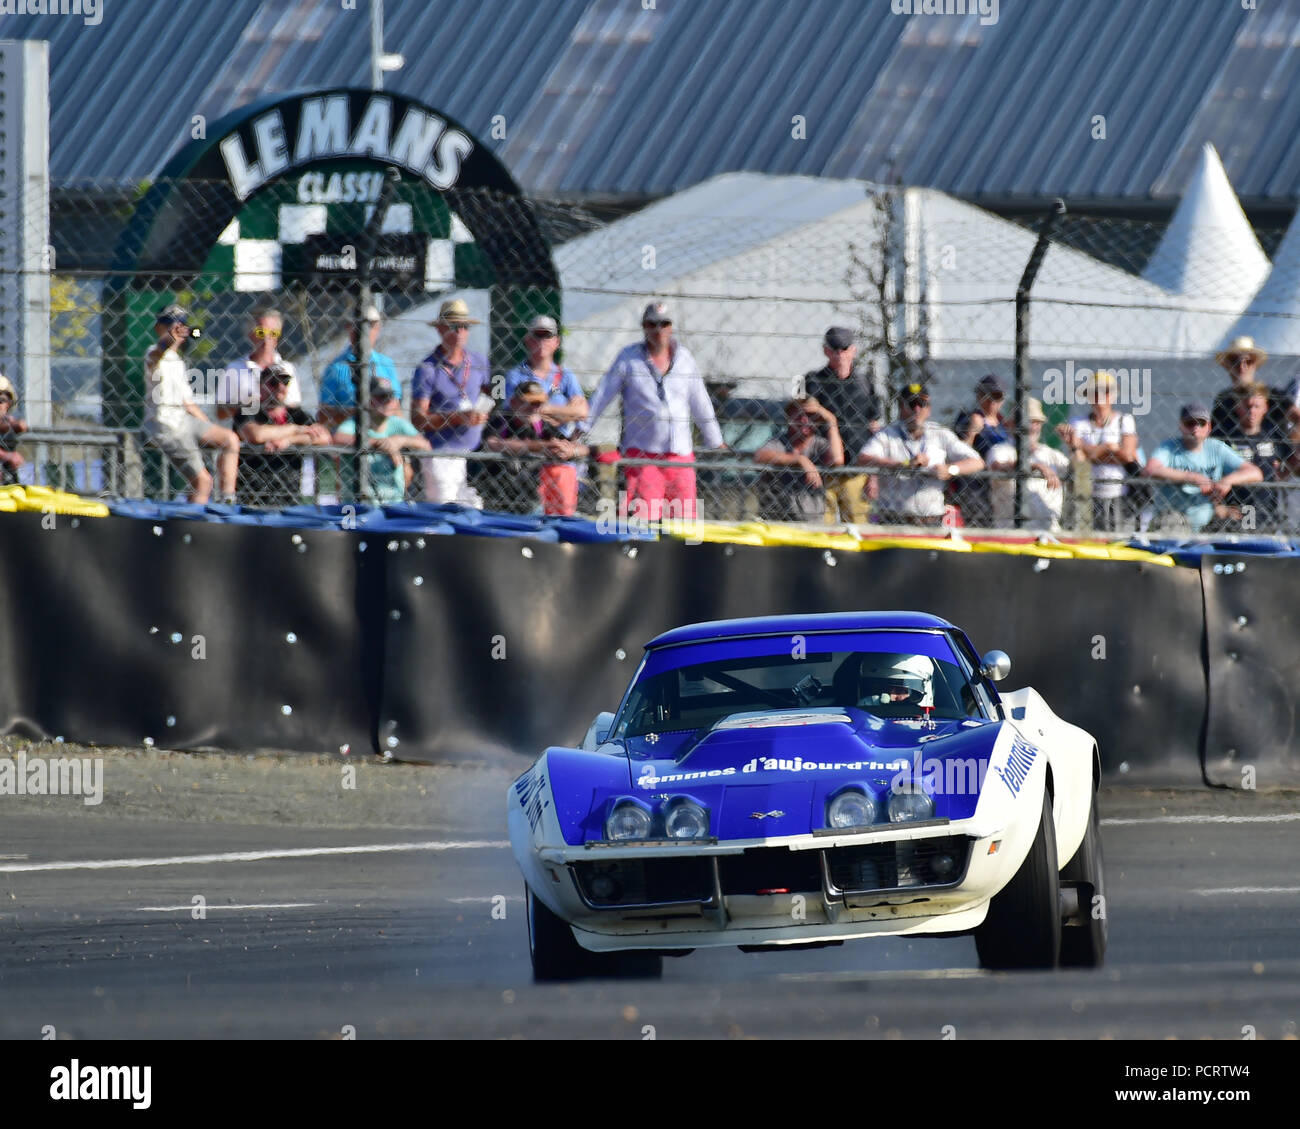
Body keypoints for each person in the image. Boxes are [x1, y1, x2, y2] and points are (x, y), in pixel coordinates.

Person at [581, 302, 726, 522]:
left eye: (664, 324)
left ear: (671, 327)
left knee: (684, 522)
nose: (658, 330)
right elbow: (603, 395)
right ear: (644, 327)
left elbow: (700, 402)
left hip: (680, 456)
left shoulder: (684, 359)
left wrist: (715, 440)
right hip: (642, 455)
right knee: (644, 522)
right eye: (652, 324)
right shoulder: (629, 358)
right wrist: (580, 430)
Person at [142, 304, 241, 504]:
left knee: (230, 439)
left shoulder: (178, 361)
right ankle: (193, 520)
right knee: (203, 482)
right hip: (165, 423)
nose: (177, 329)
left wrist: (209, 428)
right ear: (159, 328)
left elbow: (188, 403)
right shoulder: (153, 352)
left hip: (183, 418)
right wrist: (171, 337)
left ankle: (227, 499)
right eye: (170, 324)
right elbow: (157, 354)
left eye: (181, 325)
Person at [856, 384, 982, 526]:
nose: (917, 409)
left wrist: (950, 469)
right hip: (894, 519)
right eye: (911, 404)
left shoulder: (940, 434)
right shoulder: (887, 434)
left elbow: (977, 461)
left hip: (931, 518)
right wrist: (903, 464)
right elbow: (863, 458)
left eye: (921, 404)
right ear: (901, 407)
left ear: (928, 409)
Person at [502, 315, 588, 515]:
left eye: (547, 336)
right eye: (537, 335)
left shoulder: (566, 376)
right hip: (530, 462)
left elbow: (583, 412)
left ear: (556, 342)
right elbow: (518, 414)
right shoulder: (515, 376)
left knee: (564, 514)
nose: (541, 341)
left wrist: (541, 408)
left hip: (561, 457)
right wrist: (566, 412)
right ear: (528, 339)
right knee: (534, 515)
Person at [411, 298, 492, 504]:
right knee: (444, 512)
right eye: (453, 326)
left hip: (476, 453)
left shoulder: (480, 362)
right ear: (440, 329)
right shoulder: (427, 369)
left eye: (464, 327)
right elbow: (418, 419)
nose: (459, 332)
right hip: (442, 454)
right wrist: (457, 418)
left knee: (475, 513)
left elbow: (493, 394)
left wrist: (486, 410)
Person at [801, 327, 881, 523]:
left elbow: (875, 430)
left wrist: (873, 475)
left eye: (844, 349)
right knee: (822, 528)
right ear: (825, 351)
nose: (839, 354)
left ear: (853, 350)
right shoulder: (814, 381)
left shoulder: (864, 383)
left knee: (858, 528)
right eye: (834, 349)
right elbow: (803, 423)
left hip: (856, 471)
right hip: (823, 470)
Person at [1145, 402, 1263, 533]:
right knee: (1171, 521)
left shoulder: (1216, 448)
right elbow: (1150, 469)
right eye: (1190, 423)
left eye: (1201, 423)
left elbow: (1255, 473)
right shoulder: (1169, 447)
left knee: (1236, 521)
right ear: (1181, 426)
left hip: (1207, 523)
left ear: (1209, 427)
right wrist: (1190, 477)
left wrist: (1227, 481)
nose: (1196, 428)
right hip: (1173, 521)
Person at [484, 381, 590, 515]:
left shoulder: (542, 425)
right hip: (495, 494)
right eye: (528, 403)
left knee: (562, 469)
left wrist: (572, 450)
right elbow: (494, 443)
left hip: (531, 496)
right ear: (514, 402)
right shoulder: (502, 420)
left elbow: (568, 444)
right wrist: (541, 446)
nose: (534, 408)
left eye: (538, 404)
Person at [235, 364, 333, 508]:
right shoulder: (249, 410)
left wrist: (288, 440)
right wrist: (296, 428)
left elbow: (323, 437)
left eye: (285, 382)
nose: (281, 387)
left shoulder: (296, 413)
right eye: (274, 383)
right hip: (252, 493)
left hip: (289, 493)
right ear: (261, 387)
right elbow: (256, 434)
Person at [1055, 370, 1138, 533]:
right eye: (1095, 391)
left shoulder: (1124, 420)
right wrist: (1110, 449)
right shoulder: (1079, 423)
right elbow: (1079, 461)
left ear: (1113, 395)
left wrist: (1085, 448)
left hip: (1119, 494)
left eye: (1105, 391)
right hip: (1088, 495)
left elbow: (1128, 456)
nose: (1100, 395)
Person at [753, 396, 845, 522]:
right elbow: (759, 456)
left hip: (812, 519)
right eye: (800, 415)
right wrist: (800, 460)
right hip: (777, 518)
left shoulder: (819, 444)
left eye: (812, 416)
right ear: (790, 417)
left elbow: (837, 460)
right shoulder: (780, 441)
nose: (805, 420)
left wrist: (831, 421)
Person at [986, 397, 1069, 531]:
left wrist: (1075, 447)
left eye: (1037, 422)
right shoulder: (1001, 450)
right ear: (1011, 424)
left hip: (1049, 531)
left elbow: (1077, 474)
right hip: (1010, 531)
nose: (1033, 427)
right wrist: (1035, 466)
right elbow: (998, 466)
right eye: (1027, 422)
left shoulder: (1052, 454)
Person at [317, 306, 402, 431]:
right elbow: (324, 415)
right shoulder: (335, 368)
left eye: (370, 326)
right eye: (356, 326)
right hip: (348, 437)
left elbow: (396, 407)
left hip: (384, 435)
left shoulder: (386, 364)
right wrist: (361, 415)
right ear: (349, 329)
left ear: (378, 329)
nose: (363, 332)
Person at [1220, 383, 1290, 531]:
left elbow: (1291, 459)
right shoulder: (1228, 439)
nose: (1252, 411)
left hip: (1268, 507)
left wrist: (1283, 473)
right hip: (1239, 507)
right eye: (1247, 406)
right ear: (1238, 408)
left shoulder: (1274, 436)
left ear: (1265, 407)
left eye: (1257, 406)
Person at [217, 307, 303, 422]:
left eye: (273, 333)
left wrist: (278, 401)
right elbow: (221, 413)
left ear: (278, 337)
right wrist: (252, 403)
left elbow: (293, 407)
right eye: (261, 332)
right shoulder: (234, 369)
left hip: (281, 429)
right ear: (250, 335)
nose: (267, 339)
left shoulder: (287, 368)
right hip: (248, 428)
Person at [954, 374, 1011, 526]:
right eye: (986, 395)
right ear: (979, 396)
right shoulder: (969, 418)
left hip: (999, 484)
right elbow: (959, 452)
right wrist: (972, 432)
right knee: (978, 523)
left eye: (996, 396)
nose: (991, 401)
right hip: (976, 484)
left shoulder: (1003, 423)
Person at [1211, 337, 1287, 437]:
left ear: (1255, 365)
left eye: (1248, 361)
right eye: (1235, 361)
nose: (1242, 366)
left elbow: (1296, 417)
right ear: (1228, 366)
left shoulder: (1272, 394)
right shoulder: (1223, 398)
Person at [0, 373, 29, 486]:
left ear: (9, 404)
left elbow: (20, 425)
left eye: (1, 400)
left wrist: (13, 425)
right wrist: (6, 456)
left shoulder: (7, 421)